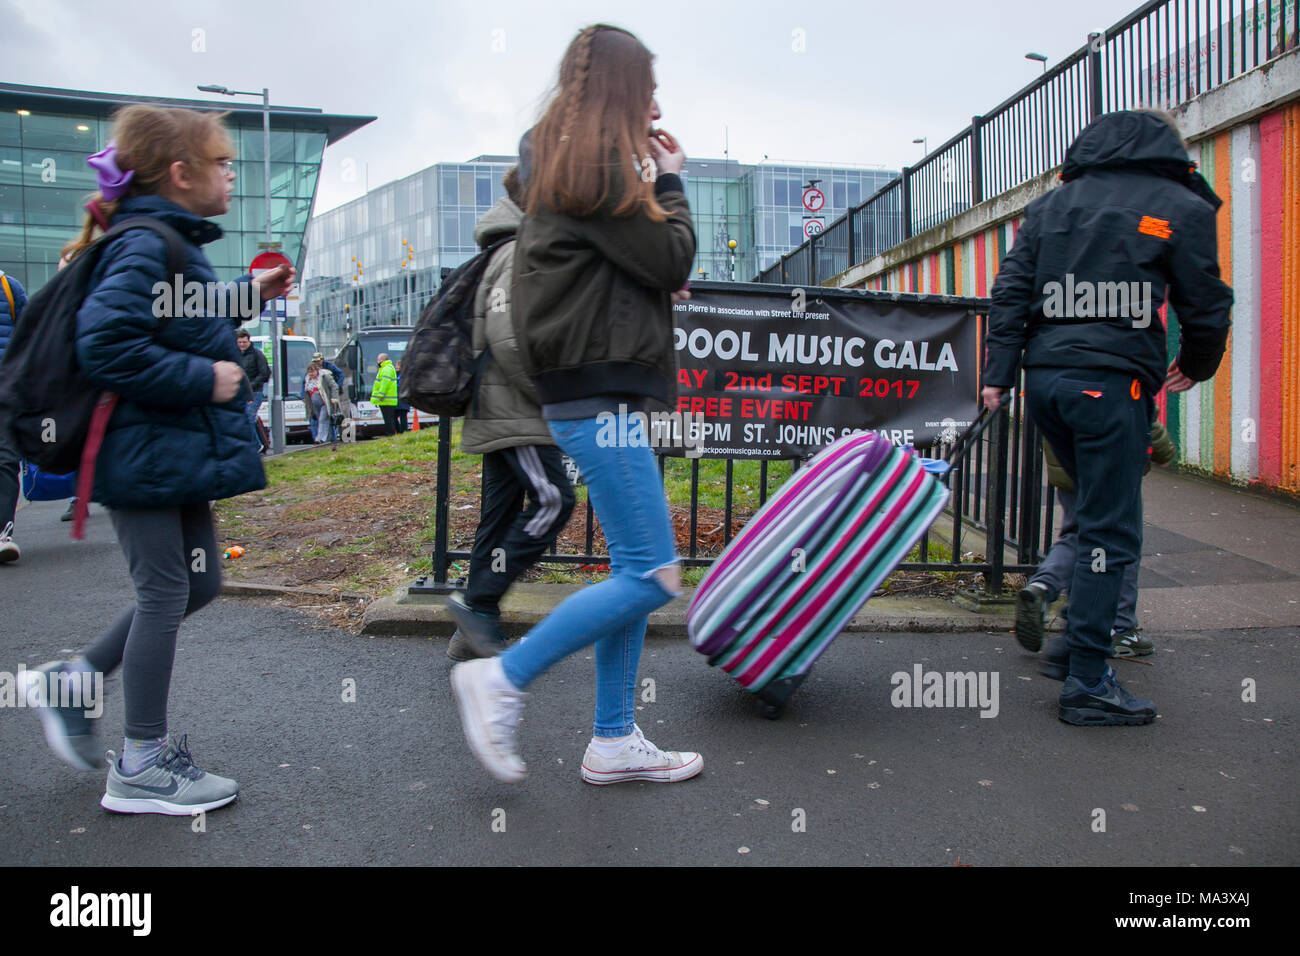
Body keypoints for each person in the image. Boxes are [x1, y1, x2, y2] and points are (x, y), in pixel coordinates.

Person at [18, 105, 293, 814]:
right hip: (142, 453)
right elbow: (107, 343)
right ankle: (140, 763)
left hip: (170, 454)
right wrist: (209, 378)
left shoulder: (163, 239)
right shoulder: (145, 241)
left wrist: (246, 296)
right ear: (181, 173)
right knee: (167, 592)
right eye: (224, 163)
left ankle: (73, 680)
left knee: (195, 587)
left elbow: (175, 308)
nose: (233, 175)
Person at [449, 24, 702, 786]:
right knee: (653, 575)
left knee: (635, 566)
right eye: (649, 87)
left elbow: (630, 268)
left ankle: (614, 739)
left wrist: (654, 262)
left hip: (596, 388)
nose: (658, 102)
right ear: (625, 89)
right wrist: (672, 179)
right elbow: (672, 254)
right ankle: (501, 678)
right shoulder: (594, 162)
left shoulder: (568, 158)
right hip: (596, 393)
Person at [982, 109, 1232, 727]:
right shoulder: (1179, 203)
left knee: (1092, 516)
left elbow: (1011, 289)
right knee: (1109, 534)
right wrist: (1197, 363)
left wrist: (998, 374)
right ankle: (1090, 682)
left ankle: (1071, 651)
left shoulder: (1051, 205)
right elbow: (1206, 298)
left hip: (1046, 384)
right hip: (1109, 384)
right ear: (1167, 145)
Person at [445, 166, 577, 662]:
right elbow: (508, 338)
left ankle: (473, 631)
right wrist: (552, 396)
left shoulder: (504, 248)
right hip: (516, 410)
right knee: (554, 501)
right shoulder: (518, 251)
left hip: (499, 409)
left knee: (497, 518)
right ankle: (478, 605)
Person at [1017, 422, 1176, 676]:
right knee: (1121, 538)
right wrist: (1163, 449)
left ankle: (1043, 585)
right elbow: (1137, 399)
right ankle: (1120, 628)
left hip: (1065, 455)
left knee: (1076, 534)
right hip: (1109, 456)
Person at [0, 269, 28, 564]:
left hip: (6, 390)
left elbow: (32, 334)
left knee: (5, 459)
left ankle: (1, 533)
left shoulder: (9, 287)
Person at [236, 328, 270, 451]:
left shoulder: (257, 354)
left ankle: (256, 445)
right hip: (240, 392)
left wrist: (250, 385)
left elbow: (264, 373)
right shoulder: (235, 355)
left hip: (255, 392)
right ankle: (261, 443)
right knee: (246, 418)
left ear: (249, 341)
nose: (242, 345)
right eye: (239, 342)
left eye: (244, 342)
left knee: (248, 418)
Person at [304, 359, 340, 444]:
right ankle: (325, 437)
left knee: (322, 419)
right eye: (309, 372)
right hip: (314, 404)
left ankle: (320, 438)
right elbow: (306, 392)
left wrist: (334, 398)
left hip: (325, 402)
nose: (311, 374)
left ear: (317, 371)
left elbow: (334, 386)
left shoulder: (325, 376)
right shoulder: (307, 379)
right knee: (320, 420)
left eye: (312, 372)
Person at [312, 351, 343, 441]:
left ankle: (327, 438)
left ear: (322, 359)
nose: (316, 363)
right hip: (317, 399)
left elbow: (340, 374)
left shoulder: (329, 367)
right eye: (315, 361)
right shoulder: (312, 370)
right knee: (318, 419)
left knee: (328, 417)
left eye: (318, 361)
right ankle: (319, 438)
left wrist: (338, 387)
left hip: (329, 396)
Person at [370, 352, 398, 436]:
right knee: (390, 418)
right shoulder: (387, 368)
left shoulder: (386, 369)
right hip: (387, 399)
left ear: (381, 360)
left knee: (388, 418)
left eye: (378, 359)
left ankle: (390, 434)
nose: (377, 361)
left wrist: (380, 396)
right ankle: (392, 433)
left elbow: (384, 384)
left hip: (386, 399)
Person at [393, 359, 410, 434]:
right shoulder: (395, 375)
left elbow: (400, 386)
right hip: (397, 400)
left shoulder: (403, 375)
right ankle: (399, 430)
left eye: (397, 366)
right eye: (396, 366)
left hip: (403, 400)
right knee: (394, 417)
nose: (396, 367)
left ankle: (403, 431)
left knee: (403, 417)